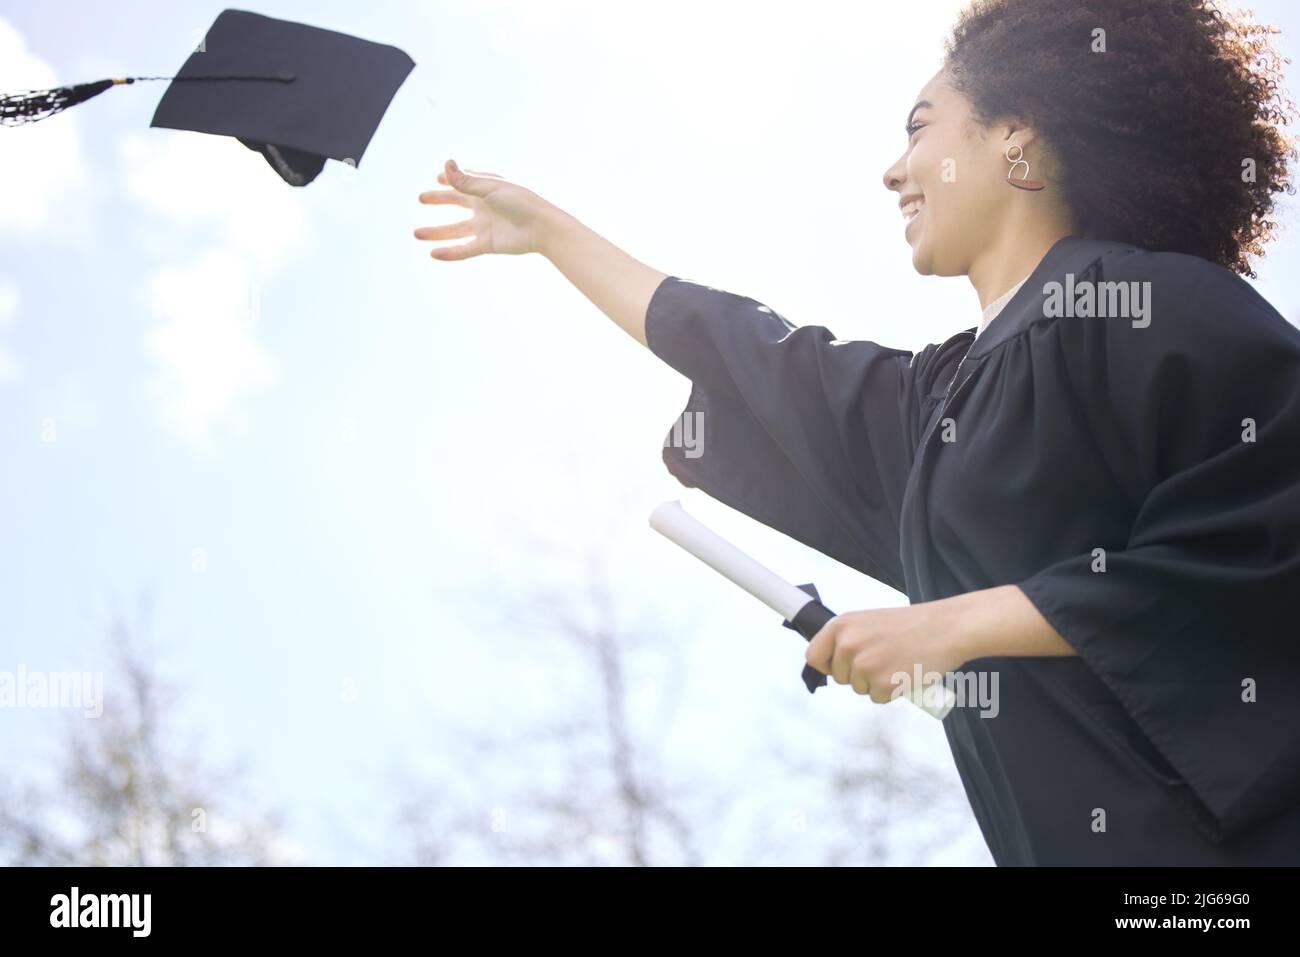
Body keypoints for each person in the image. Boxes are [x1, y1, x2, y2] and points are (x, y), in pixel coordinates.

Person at [413, 0, 1300, 865]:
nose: (893, 169)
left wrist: (955, 626)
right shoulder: (941, 407)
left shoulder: (1150, 304)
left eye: (920, 129)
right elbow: (757, 355)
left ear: (1016, 142)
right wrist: (552, 236)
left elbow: (1272, 534)